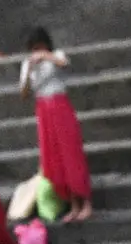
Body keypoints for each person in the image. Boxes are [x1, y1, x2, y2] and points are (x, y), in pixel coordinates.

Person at [18, 28, 92, 225]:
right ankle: (73, 204)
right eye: (34, 48)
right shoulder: (27, 64)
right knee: (55, 157)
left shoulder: (56, 56)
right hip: (43, 112)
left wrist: (46, 56)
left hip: (60, 106)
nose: (36, 51)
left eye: (39, 46)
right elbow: (24, 93)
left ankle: (85, 202)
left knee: (71, 154)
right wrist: (29, 71)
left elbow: (64, 63)